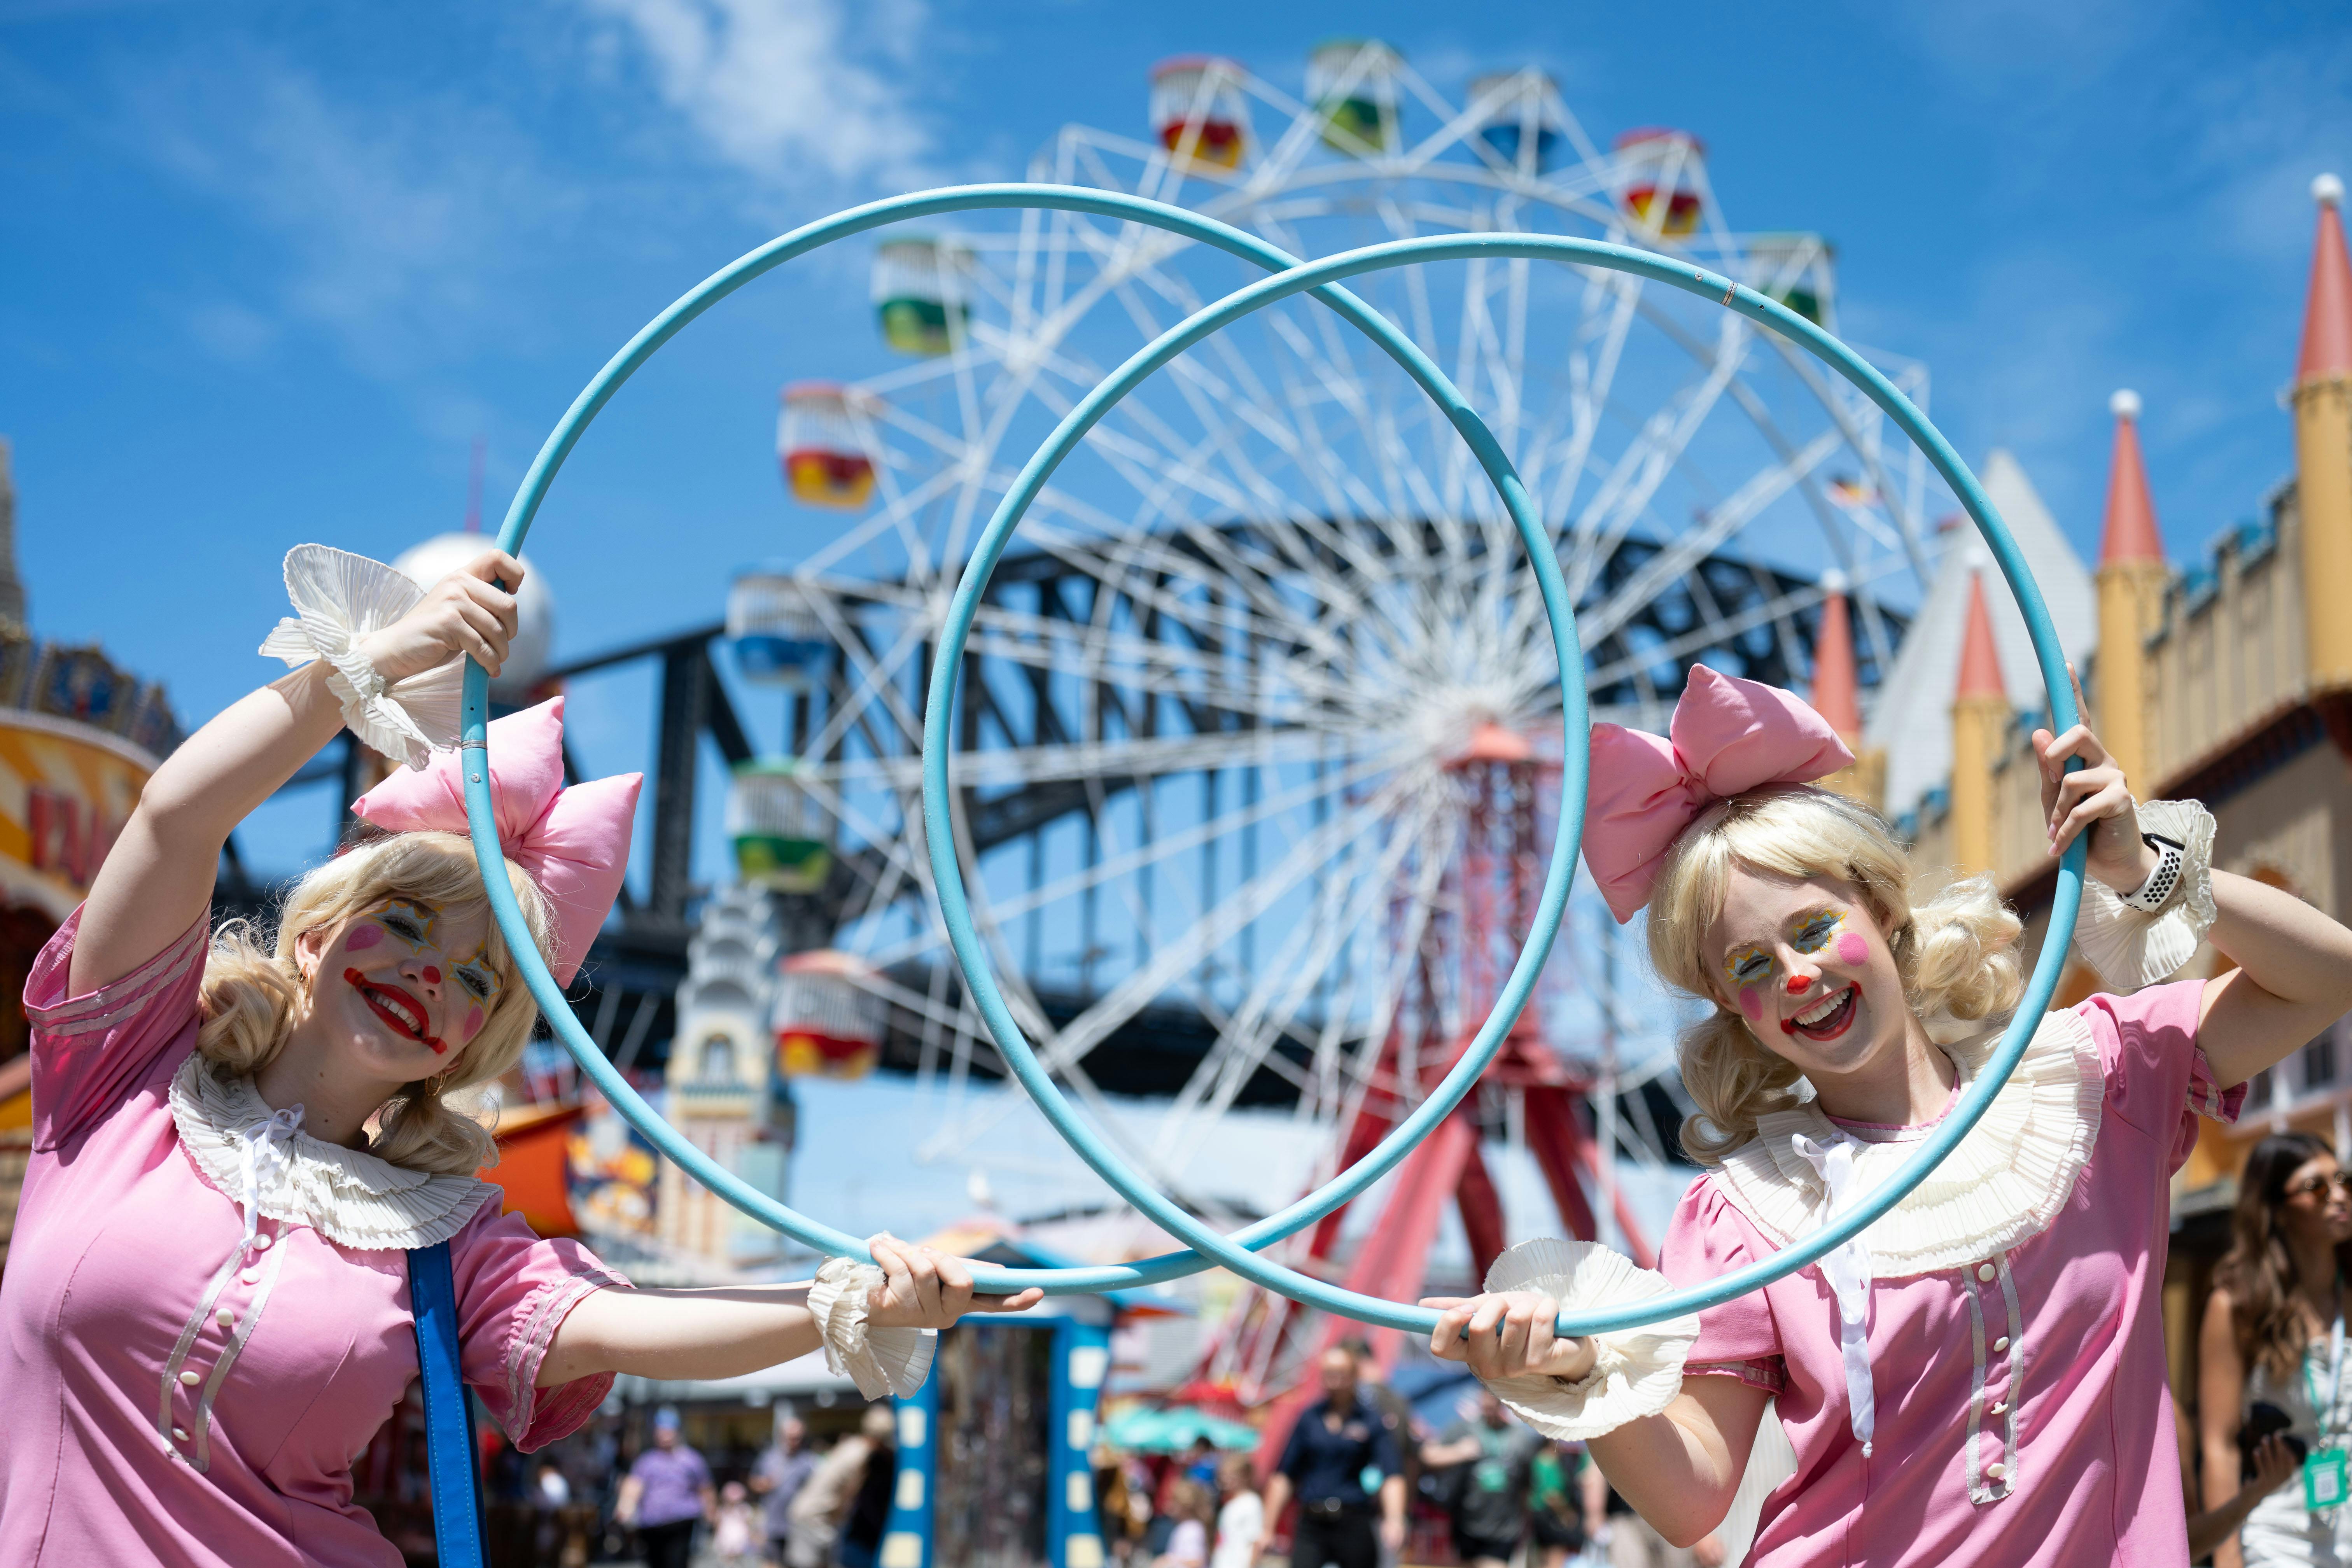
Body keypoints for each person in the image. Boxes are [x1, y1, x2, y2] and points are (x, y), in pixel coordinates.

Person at [0, 543, 1043, 1568]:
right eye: (406, 925)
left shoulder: (437, 1237)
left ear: (468, 1046)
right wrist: (371, 663)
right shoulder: (121, 1078)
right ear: (314, 935)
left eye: (475, 980)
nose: (428, 978)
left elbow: (626, 1329)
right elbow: (177, 819)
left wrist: (861, 1300)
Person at [1418, 666, 2352, 1566]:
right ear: (1730, 1009)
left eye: (1815, 928)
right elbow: (1693, 1493)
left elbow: (2327, 979)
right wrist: (1571, 1379)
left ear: (1887, 912)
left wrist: (2146, 868)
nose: (1794, 973)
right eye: (1747, 967)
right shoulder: (1750, 1211)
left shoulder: (2092, 1080)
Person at [2200, 1130, 2352, 1566]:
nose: (2339, 1195)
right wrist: (2227, 1560)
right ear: (2278, 1210)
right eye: (2317, 1187)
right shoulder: (2237, 1307)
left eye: (2344, 1181)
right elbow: (2220, 1448)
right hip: (2278, 1542)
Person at [1262, 1346, 1406, 1568]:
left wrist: (1394, 1520)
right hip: (1312, 1520)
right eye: (1329, 1372)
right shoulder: (1309, 1418)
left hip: (1353, 1519)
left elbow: (1392, 1474)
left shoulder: (1370, 1421)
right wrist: (1267, 1528)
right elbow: (1284, 1475)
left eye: (1341, 1372)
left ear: (1354, 1375)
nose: (1335, 1379)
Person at [1419, 1390, 1538, 1568]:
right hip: (1466, 1524)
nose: (1489, 1404)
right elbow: (1428, 1455)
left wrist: (1526, 1525)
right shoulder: (1465, 1429)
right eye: (1486, 1396)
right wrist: (1459, 1452)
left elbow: (1526, 1488)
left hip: (1504, 1529)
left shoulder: (1520, 1439)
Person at [791, 1406, 899, 1568]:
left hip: (812, 1514)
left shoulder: (852, 1445)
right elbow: (852, 1493)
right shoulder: (862, 1456)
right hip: (815, 1518)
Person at [617, 1407, 716, 1568]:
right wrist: (625, 1506)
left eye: (669, 1431)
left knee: (677, 1562)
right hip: (652, 1524)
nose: (666, 1436)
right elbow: (634, 1486)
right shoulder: (646, 1461)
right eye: (662, 1431)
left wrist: (711, 1512)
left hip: (681, 1522)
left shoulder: (692, 1459)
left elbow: (705, 1487)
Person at [754, 1411, 821, 1566]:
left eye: (798, 1437)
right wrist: (762, 1485)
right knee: (771, 1562)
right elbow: (754, 1482)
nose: (794, 1441)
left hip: (797, 1526)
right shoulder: (769, 1458)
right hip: (773, 1523)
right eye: (790, 1437)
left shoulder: (809, 1462)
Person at [1524, 1439, 1584, 1568]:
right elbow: (1551, 1495)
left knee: (1543, 1558)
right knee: (1556, 1556)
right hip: (1550, 1515)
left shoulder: (1538, 1459)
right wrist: (1566, 1513)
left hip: (1538, 1514)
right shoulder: (1548, 1462)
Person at [1209, 1452, 1265, 1568]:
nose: (1225, 1481)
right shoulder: (1231, 1503)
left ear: (1245, 1476)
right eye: (1223, 1476)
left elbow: (1255, 1541)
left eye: (1231, 1476)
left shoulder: (1252, 1502)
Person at [1155, 1479, 1213, 1568]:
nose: (1168, 1505)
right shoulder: (1187, 1527)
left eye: (1173, 1501)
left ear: (1185, 1506)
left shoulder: (1191, 1529)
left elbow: (1196, 1562)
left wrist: (1167, 1561)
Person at [714, 1479, 766, 1568]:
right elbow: (718, 1524)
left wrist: (755, 1536)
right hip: (726, 1537)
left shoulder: (744, 1509)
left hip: (740, 1537)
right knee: (728, 1561)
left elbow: (749, 1523)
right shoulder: (723, 1510)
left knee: (741, 1560)